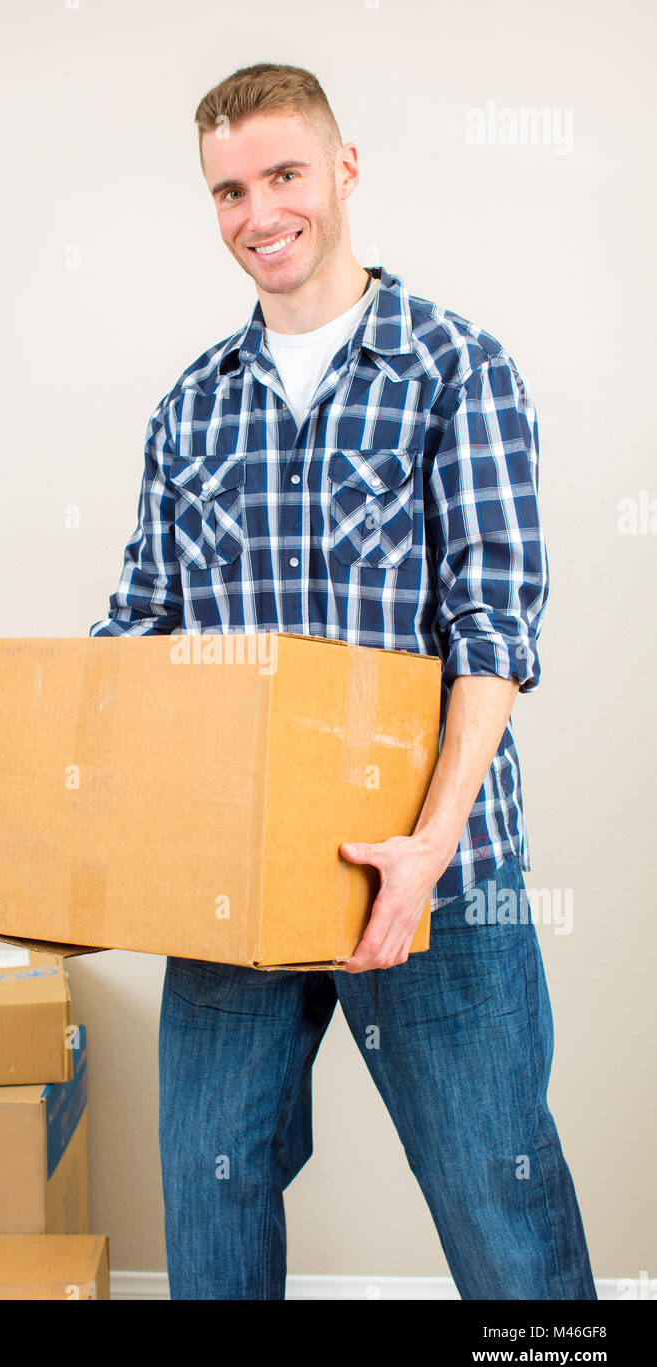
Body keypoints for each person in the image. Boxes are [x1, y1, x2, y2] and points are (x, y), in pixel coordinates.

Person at [89, 61, 596, 1301]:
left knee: (499, 1202)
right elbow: (141, 625)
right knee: (208, 1199)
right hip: (235, 880)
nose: (256, 214)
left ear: (343, 169)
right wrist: (57, 788)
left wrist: (423, 846)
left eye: (281, 176)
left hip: (431, 872)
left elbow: (492, 631)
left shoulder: (454, 370)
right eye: (226, 191)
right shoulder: (189, 410)